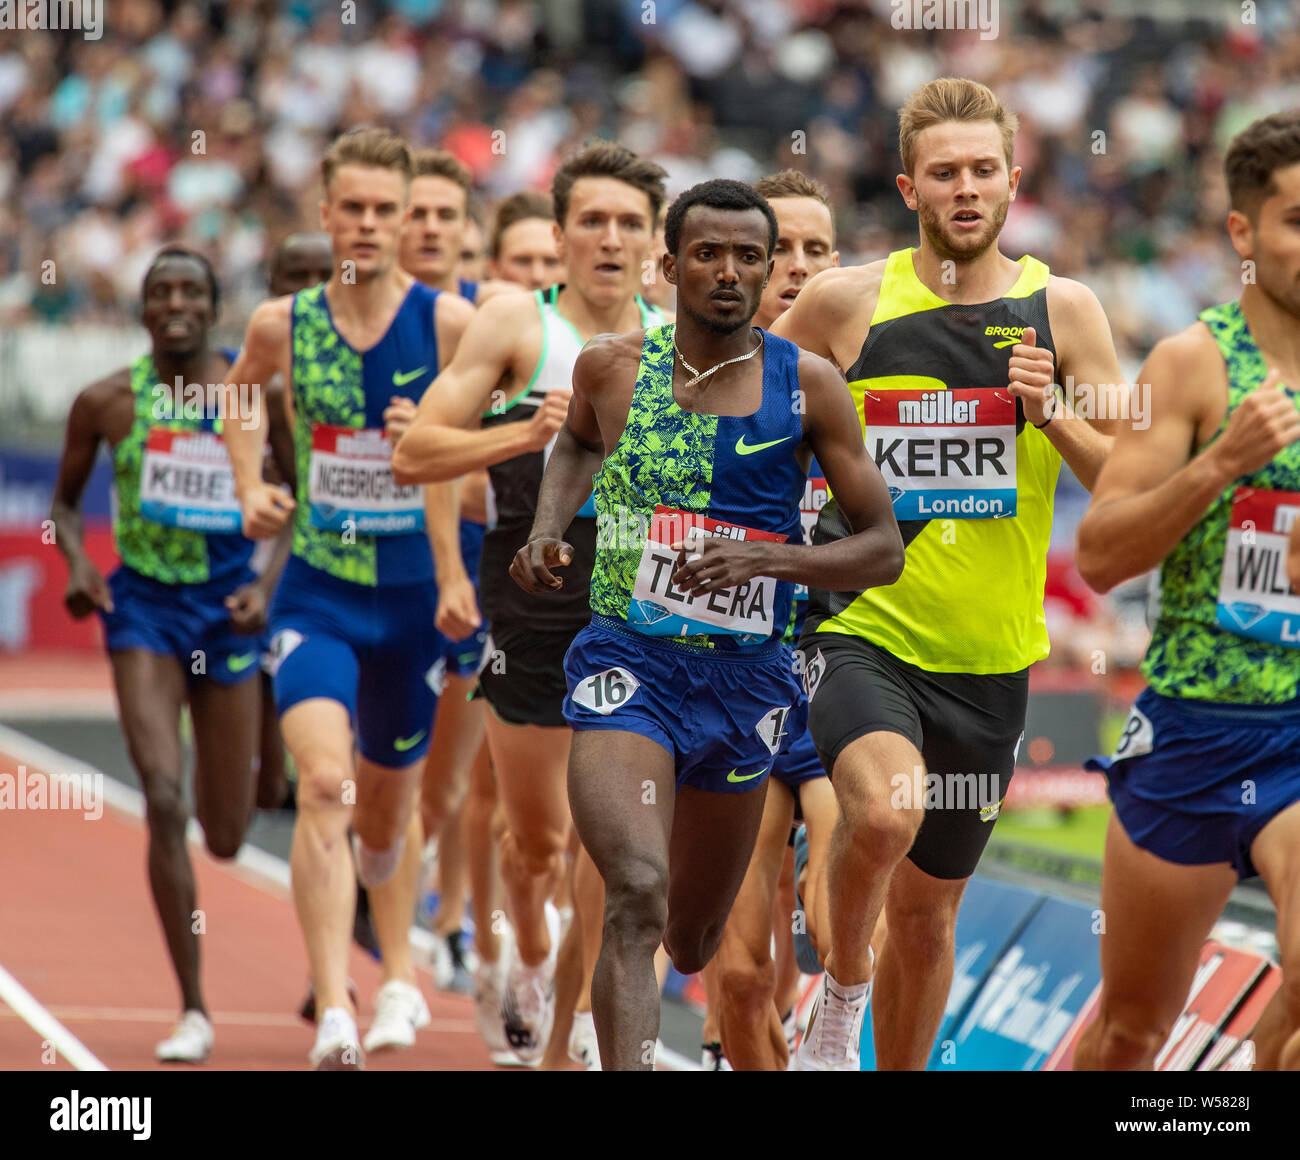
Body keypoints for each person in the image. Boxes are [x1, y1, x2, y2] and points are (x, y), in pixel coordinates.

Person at [510, 177, 903, 1071]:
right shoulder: (613, 366)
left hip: (748, 685)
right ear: (671, 264)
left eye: (748, 257)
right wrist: (545, 530)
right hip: (629, 666)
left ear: (769, 271)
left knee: (689, 939)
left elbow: (882, 548)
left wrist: (774, 560)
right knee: (636, 894)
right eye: (708, 254)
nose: (729, 272)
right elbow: (575, 441)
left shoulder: (809, 386)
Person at [772, 77, 1121, 1070]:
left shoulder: (1066, 308)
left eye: (981, 170)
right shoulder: (843, 303)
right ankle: (839, 999)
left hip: (990, 657)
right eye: (943, 173)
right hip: (859, 625)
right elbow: (750, 433)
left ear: (1012, 181)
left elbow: (1127, 484)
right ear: (908, 186)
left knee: (926, 916)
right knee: (885, 810)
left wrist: (1052, 411)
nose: (964, 188)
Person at [392, 141, 668, 1063]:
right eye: (591, 220)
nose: (609, 238)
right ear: (559, 234)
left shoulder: (679, 341)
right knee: (539, 846)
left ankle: (567, 1039)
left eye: (630, 222)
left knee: (616, 854)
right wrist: (521, 429)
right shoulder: (516, 323)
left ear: (654, 242)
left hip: (637, 609)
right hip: (532, 598)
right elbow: (418, 451)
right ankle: (531, 951)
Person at [221, 127, 474, 1069]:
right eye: (352, 208)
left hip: (414, 607)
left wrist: (438, 444)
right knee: (326, 785)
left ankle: (400, 970)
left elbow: (480, 453)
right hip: (319, 595)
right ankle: (336, 1005)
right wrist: (250, 487)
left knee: (385, 820)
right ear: (325, 215)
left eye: (385, 209)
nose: (367, 224)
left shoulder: (449, 323)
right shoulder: (279, 325)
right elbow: (238, 399)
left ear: (409, 218)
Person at [1073, 111, 1300, 1072]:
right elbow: (1100, 555)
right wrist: (1222, 467)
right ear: (1245, 235)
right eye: (1298, 220)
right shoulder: (1193, 365)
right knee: (1130, 1036)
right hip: (1196, 735)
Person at [50, 247, 293, 1063]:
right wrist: (80, 564)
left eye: (193, 290)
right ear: (144, 309)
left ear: (215, 305)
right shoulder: (107, 402)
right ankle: (193, 1006)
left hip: (228, 614)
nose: (177, 302)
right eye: (162, 291)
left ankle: (265, 753)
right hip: (144, 613)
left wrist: (266, 584)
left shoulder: (251, 394)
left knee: (224, 836)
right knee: (160, 793)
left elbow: (298, 505)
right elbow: (60, 506)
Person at [703, 169, 843, 1071]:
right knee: (747, 977)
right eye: (777, 249)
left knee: (836, 927)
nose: (796, 268)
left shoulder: (861, 376)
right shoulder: (687, 384)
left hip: (841, 677)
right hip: (728, 677)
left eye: (816, 250)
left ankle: (840, 1023)